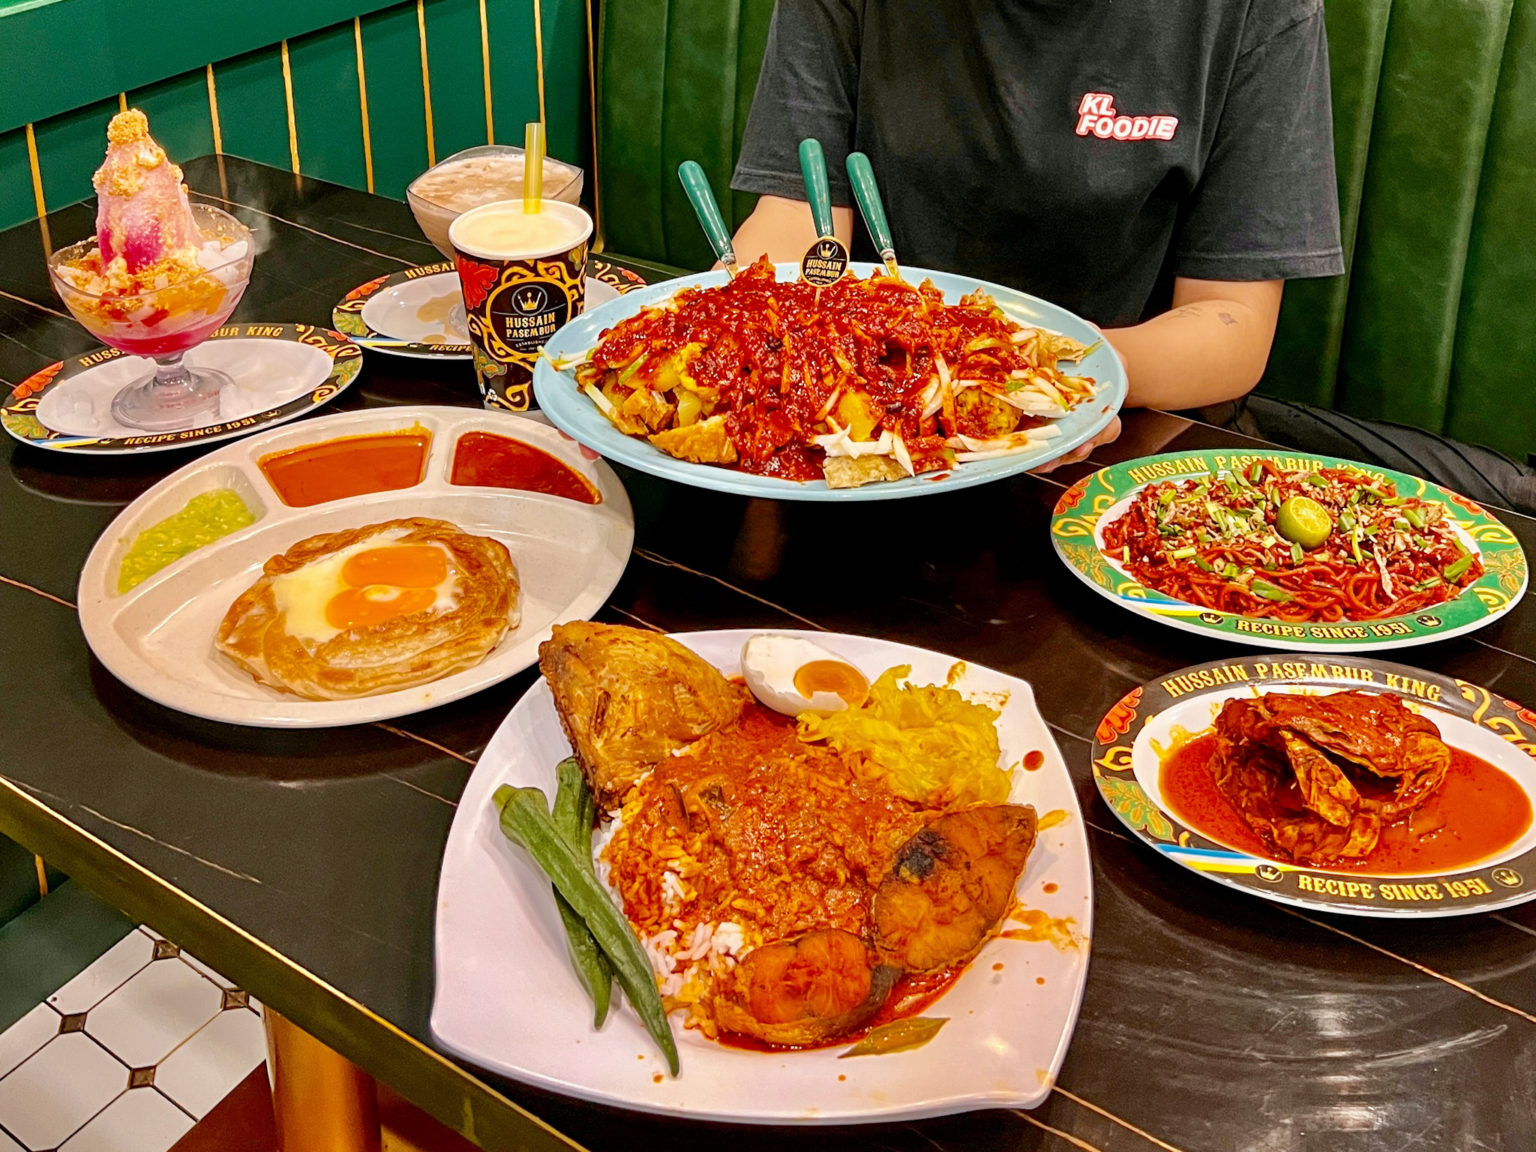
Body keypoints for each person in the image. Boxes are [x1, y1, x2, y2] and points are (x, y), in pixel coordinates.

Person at [726, 0, 1345, 472]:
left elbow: (1231, 319)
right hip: (855, 425)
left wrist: (1064, 385)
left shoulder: (1255, 11)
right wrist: (734, 341)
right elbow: (798, 225)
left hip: (1115, 444)